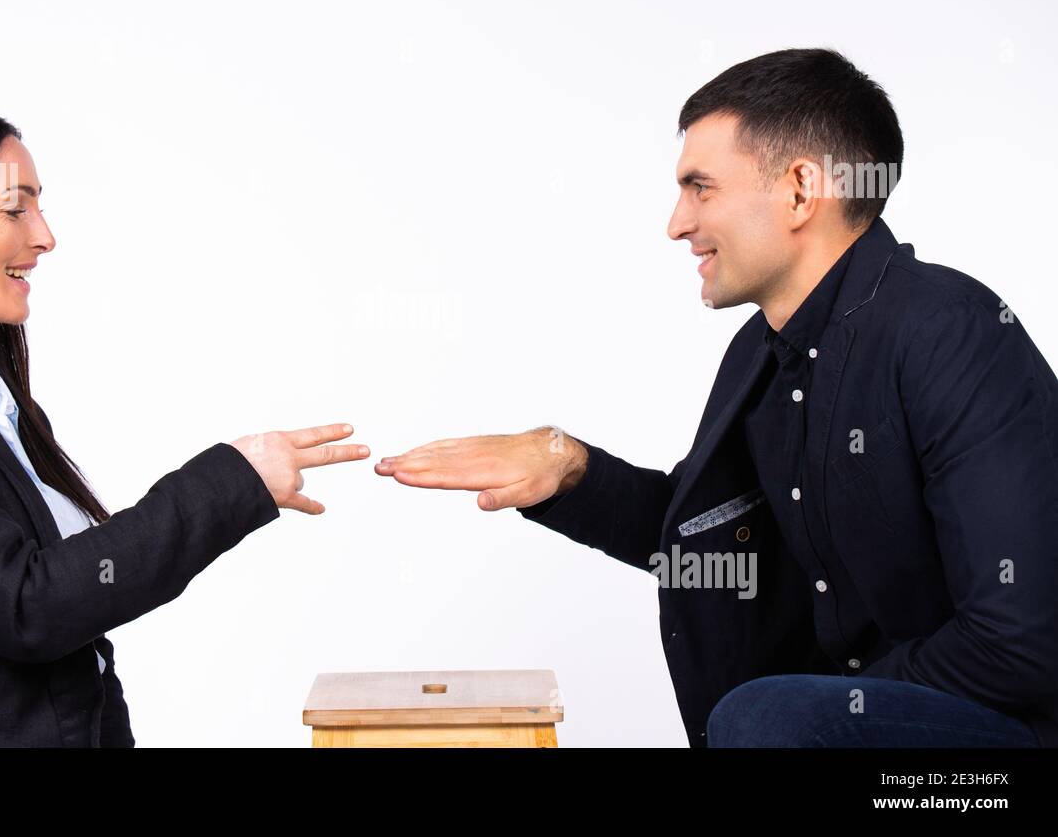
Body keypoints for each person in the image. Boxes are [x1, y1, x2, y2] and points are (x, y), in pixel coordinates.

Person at [374, 48, 1058, 748]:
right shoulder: (761, 355)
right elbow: (704, 538)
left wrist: (825, 706)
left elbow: (1021, 644)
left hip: (993, 748)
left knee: (761, 717)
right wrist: (569, 467)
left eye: (701, 188)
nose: (677, 223)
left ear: (799, 190)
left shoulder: (952, 333)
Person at [0, 101, 368, 746]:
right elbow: (25, 605)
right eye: (15, 209)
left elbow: (73, 622)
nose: (44, 237)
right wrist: (233, 481)